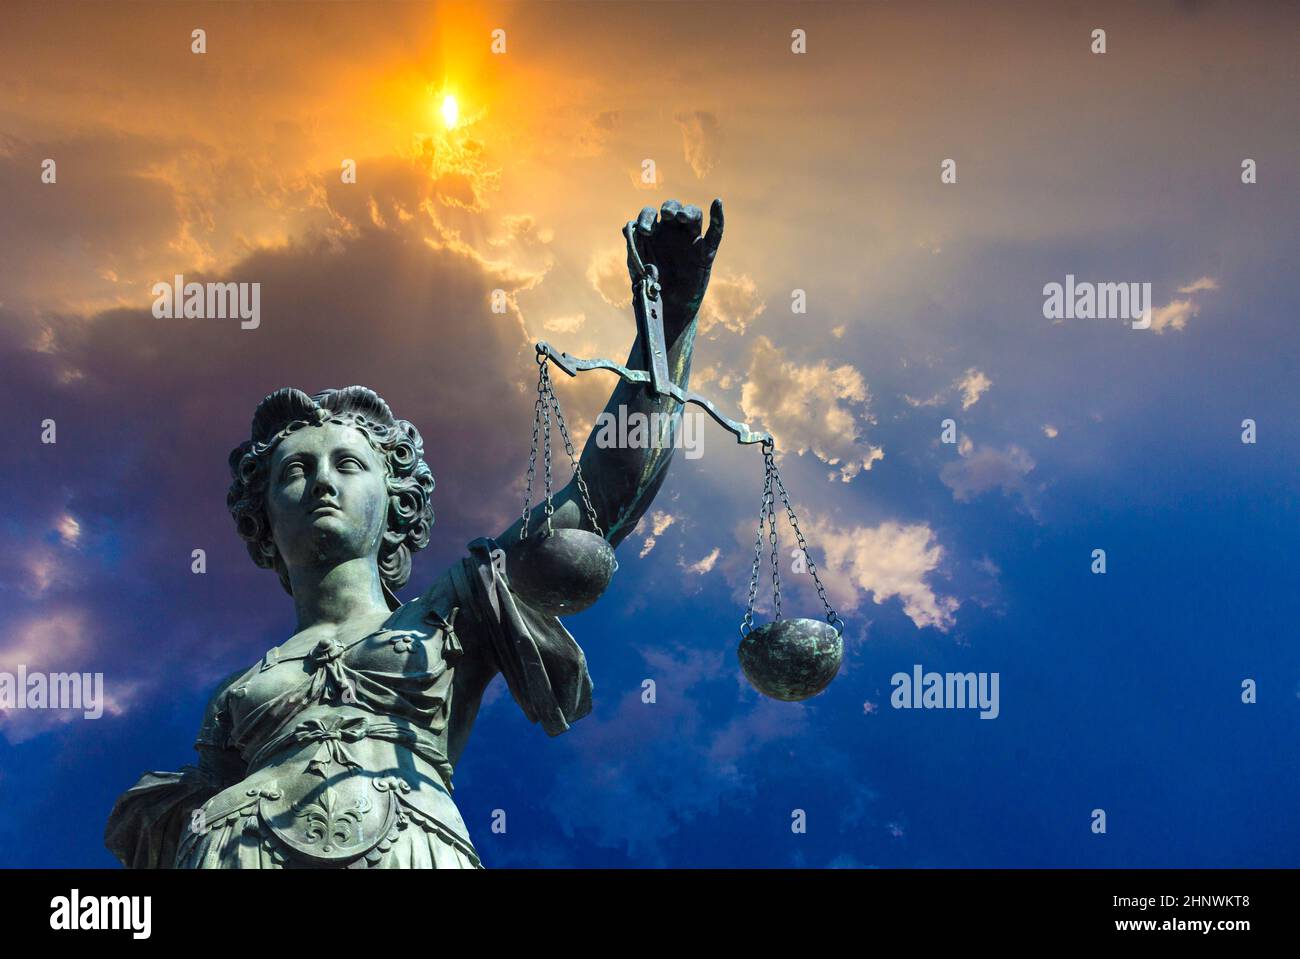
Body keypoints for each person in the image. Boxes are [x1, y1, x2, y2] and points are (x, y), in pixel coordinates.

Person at [104, 200, 725, 868]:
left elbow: (602, 496)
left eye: (347, 464)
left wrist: (669, 316)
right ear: (263, 517)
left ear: (393, 499)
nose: (321, 482)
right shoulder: (234, 694)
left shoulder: (457, 610)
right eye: (295, 471)